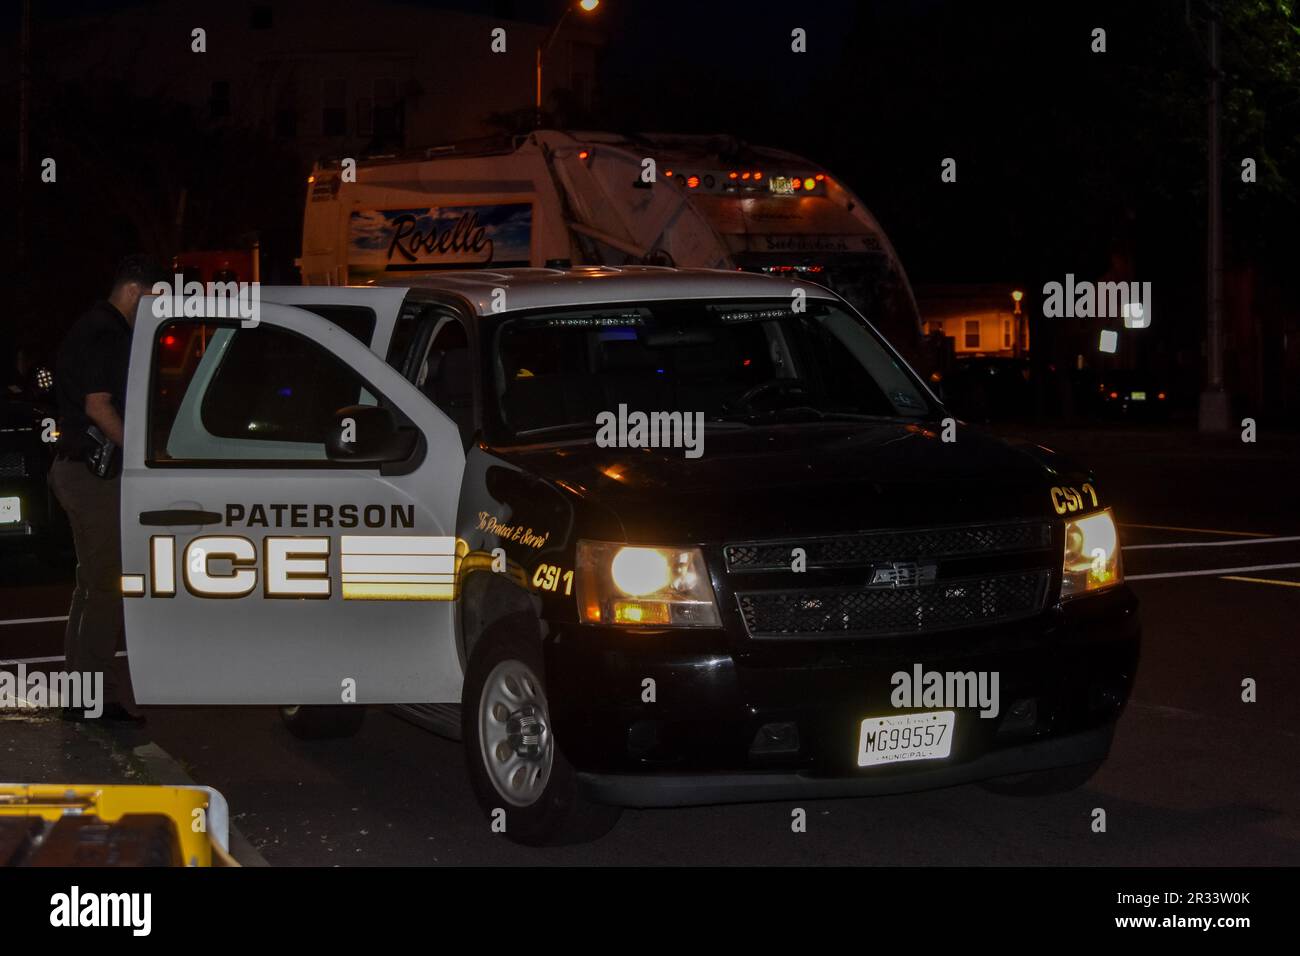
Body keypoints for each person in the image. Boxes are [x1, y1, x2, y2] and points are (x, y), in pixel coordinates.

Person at [49, 254, 167, 722]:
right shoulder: (107, 332)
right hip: (91, 474)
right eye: (158, 298)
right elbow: (99, 406)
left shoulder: (91, 326)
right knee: (107, 585)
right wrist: (141, 454)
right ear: (136, 290)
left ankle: (82, 695)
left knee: (91, 584)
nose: (160, 310)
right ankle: (94, 698)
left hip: (77, 469)